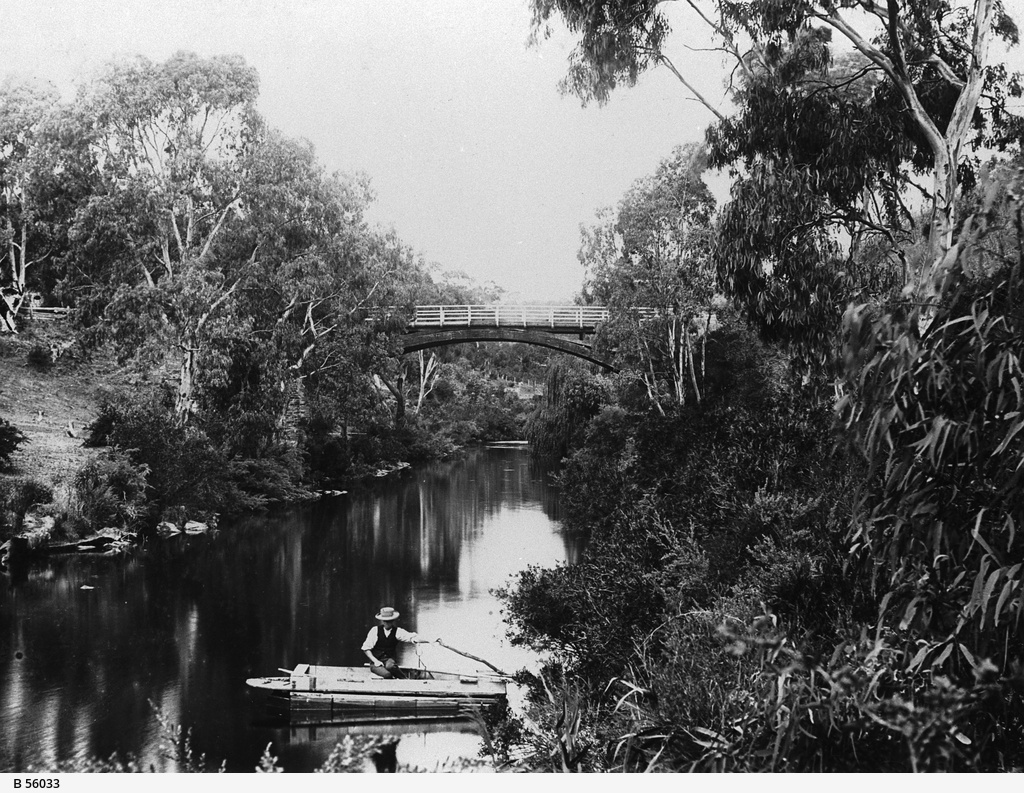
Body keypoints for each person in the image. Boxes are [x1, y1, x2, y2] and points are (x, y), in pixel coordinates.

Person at [361, 606, 429, 679]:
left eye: (389, 621)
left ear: (393, 621)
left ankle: (405, 680)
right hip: (375, 662)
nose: (387, 623)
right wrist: (376, 661)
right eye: (385, 621)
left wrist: (430, 640)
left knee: (390, 666)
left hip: (389, 660)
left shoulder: (397, 631)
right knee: (387, 674)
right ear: (382, 621)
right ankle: (392, 683)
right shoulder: (375, 631)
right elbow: (366, 649)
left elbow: (411, 637)